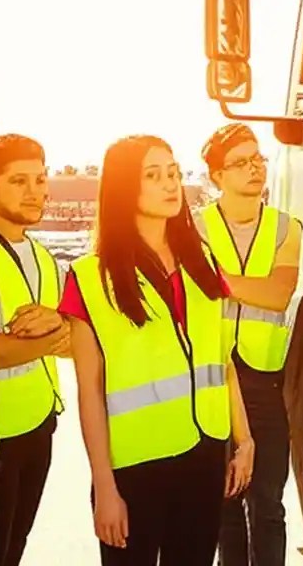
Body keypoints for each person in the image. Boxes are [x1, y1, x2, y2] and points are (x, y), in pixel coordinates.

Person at [63, 135, 255, 566]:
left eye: (173, 172)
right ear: (123, 188)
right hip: (134, 466)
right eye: (153, 175)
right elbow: (89, 390)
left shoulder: (202, 261)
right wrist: (104, 487)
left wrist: (244, 440)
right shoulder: (89, 278)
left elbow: (222, 361)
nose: (170, 184)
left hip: (205, 454)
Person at [199, 124, 301, 566]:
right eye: (241, 162)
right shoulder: (192, 227)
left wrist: (216, 281)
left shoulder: (286, 227)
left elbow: (278, 293)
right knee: (223, 503)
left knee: (268, 504)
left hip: (265, 378)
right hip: (211, 376)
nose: (255, 168)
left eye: (258, 158)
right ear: (217, 176)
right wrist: (242, 286)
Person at [0, 133, 68, 566]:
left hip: (40, 424)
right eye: (18, 181)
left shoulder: (44, 256)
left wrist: (60, 325)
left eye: (40, 180)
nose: (34, 191)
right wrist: (59, 334)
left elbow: (74, 342)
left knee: (14, 549)